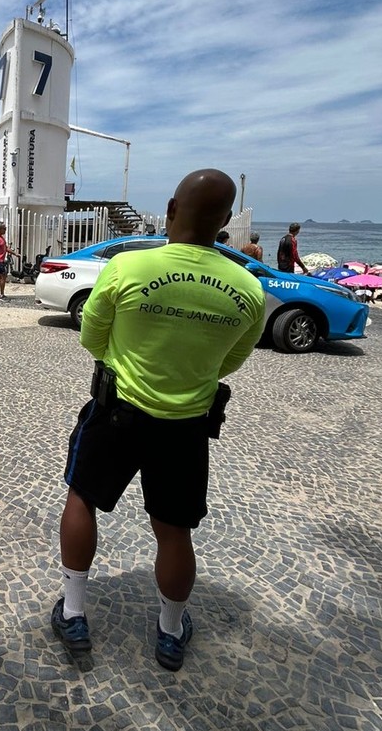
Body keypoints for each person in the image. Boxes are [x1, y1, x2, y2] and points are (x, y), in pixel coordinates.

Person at [51, 169, 266, 671]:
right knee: (174, 530)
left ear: (171, 209)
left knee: (82, 498)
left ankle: (74, 612)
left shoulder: (128, 267)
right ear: (225, 221)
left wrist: (130, 360)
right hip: (186, 426)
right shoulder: (248, 288)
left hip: (117, 412)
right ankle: (170, 632)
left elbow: (92, 337)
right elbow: (231, 360)